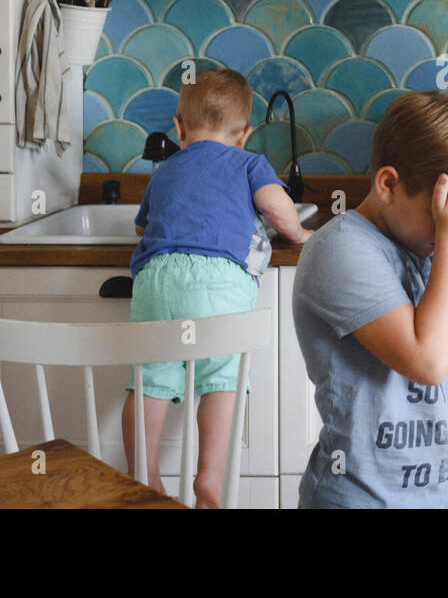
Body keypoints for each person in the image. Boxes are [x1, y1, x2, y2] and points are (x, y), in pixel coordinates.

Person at [293, 90, 448, 507]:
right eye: (438, 215)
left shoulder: (443, 240)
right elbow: (429, 362)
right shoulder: (340, 249)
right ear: (388, 184)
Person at [122, 67, 312, 508]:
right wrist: (299, 234)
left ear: (179, 126)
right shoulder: (249, 163)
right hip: (220, 281)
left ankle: (146, 476)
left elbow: (141, 228)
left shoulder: (165, 170)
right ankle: (208, 476)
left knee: (149, 382)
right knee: (221, 380)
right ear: (245, 134)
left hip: (156, 278)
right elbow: (276, 207)